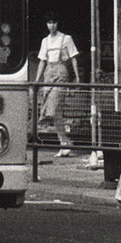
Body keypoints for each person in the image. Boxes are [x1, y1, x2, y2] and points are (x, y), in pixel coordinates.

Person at [35, 11, 81, 157]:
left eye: (54, 22)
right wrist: (37, 80)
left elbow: (73, 58)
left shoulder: (66, 39)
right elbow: (42, 61)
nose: (52, 25)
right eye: (49, 23)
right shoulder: (45, 41)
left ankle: (65, 142)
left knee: (53, 109)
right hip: (48, 74)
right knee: (55, 113)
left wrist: (77, 77)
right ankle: (65, 143)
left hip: (61, 73)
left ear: (58, 23)